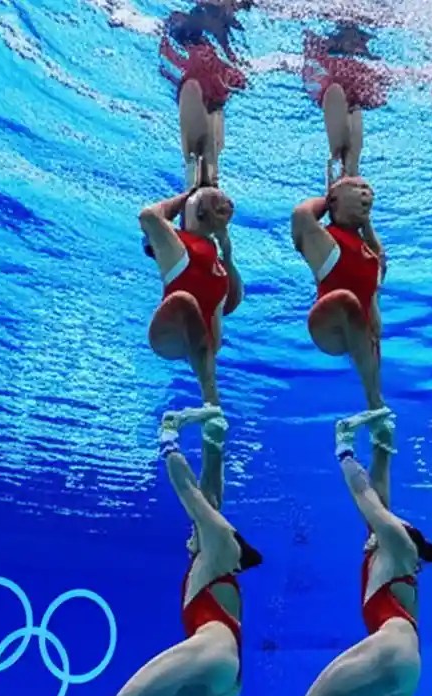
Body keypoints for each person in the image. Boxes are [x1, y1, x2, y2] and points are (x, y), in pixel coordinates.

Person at [100, 405, 263, 696]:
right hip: (226, 677)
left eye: (195, 527)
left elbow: (188, 489)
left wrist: (169, 436)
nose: (191, 531)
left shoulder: (217, 543)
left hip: (212, 652)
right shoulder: (217, 554)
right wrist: (214, 439)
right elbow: (211, 497)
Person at [294, 408, 432, 696]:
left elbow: (366, 496)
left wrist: (344, 449)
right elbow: (380, 494)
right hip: (407, 663)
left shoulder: (396, 543)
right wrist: (382, 445)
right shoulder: (395, 558)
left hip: (391, 649)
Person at [139, 183, 243, 406]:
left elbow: (233, 302)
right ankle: (211, 398)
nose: (224, 201)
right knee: (184, 301)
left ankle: (208, 386)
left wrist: (228, 255)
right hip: (171, 333)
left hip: (206, 344)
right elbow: (148, 216)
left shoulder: (220, 265)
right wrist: (188, 195)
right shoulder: (178, 248)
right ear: (201, 211)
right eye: (214, 199)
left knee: (193, 308)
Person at [292, 177, 386, 410]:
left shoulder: (369, 254)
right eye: (358, 188)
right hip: (329, 326)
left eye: (369, 190)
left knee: (372, 327)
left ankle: (375, 402)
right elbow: (301, 216)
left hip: (361, 332)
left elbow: (379, 257)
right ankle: (374, 401)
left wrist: (366, 225)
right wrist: (328, 200)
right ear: (334, 199)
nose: (366, 194)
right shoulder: (328, 242)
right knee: (346, 300)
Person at [160, 2, 250, 190]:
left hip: (215, 78)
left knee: (205, 160)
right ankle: (199, 183)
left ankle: (202, 183)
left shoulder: (226, 56)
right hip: (195, 71)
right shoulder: (184, 25)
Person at [302, 21, 390, 185]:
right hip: (350, 73)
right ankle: (344, 171)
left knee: (343, 97)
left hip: (333, 71)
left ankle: (341, 170)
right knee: (352, 104)